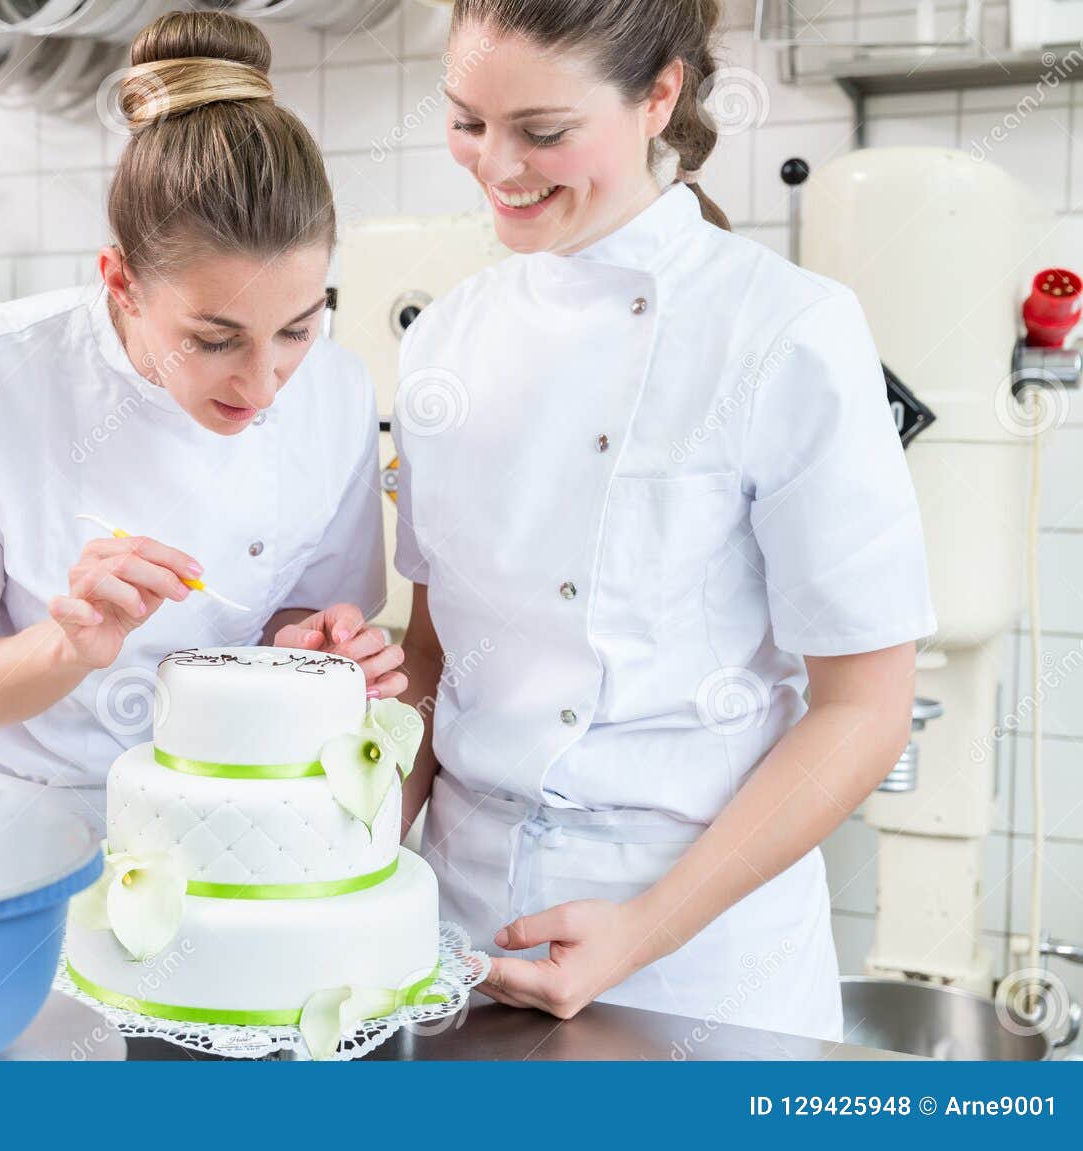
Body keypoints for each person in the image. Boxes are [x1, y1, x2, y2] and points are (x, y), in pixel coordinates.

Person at [393, 0, 936, 1040]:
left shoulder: (785, 332)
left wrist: (641, 928)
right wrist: (354, 860)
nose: (496, 165)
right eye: (466, 119)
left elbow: (863, 707)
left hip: (696, 954)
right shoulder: (444, 341)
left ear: (659, 97)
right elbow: (429, 651)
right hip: (453, 931)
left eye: (543, 132)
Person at [0, 11, 404, 833]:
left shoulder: (336, 389)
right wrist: (71, 644)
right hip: (20, 828)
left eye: (298, 328)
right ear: (120, 282)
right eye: (213, 338)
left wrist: (314, 650)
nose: (264, 385)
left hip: (233, 813)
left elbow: (289, 619)